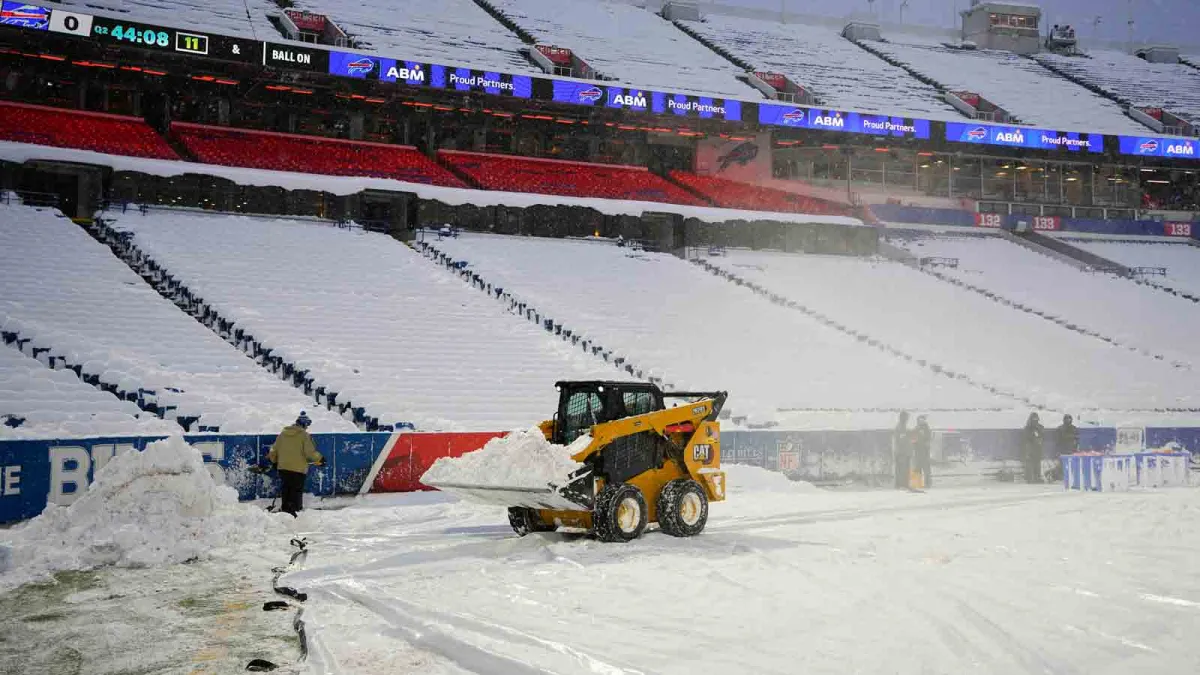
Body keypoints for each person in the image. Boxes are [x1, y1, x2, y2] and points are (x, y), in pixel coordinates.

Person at [268, 411, 323, 515]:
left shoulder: (283, 434)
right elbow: (310, 453)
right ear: (304, 424)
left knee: (286, 489)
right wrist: (320, 459)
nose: (307, 428)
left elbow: (273, 450)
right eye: (306, 425)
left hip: (283, 468)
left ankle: (285, 510)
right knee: (296, 491)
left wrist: (274, 462)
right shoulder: (304, 436)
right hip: (298, 470)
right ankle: (295, 511)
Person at [1021, 412, 1045, 484]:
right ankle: (1030, 478)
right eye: (1034, 419)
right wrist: (1034, 438)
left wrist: (1039, 438)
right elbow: (1026, 438)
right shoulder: (1027, 428)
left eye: (1036, 418)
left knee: (1037, 463)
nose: (1035, 420)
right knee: (1030, 463)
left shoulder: (1040, 427)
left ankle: (1037, 477)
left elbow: (1042, 435)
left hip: (1038, 448)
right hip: (1030, 448)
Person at [913, 415, 933, 489]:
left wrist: (926, 444)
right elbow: (913, 440)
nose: (921, 421)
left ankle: (928, 484)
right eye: (920, 420)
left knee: (927, 469)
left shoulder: (927, 429)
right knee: (917, 468)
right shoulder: (916, 429)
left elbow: (929, 439)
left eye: (923, 420)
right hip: (918, 452)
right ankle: (917, 483)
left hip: (925, 452)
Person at [893, 411, 912, 489]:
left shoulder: (904, 426)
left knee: (905, 469)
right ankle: (901, 484)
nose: (907, 419)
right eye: (906, 417)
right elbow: (900, 439)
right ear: (903, 418)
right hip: (901, 452)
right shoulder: (900, 427)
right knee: (901, 469)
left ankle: (904, 484)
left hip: (905, 452)